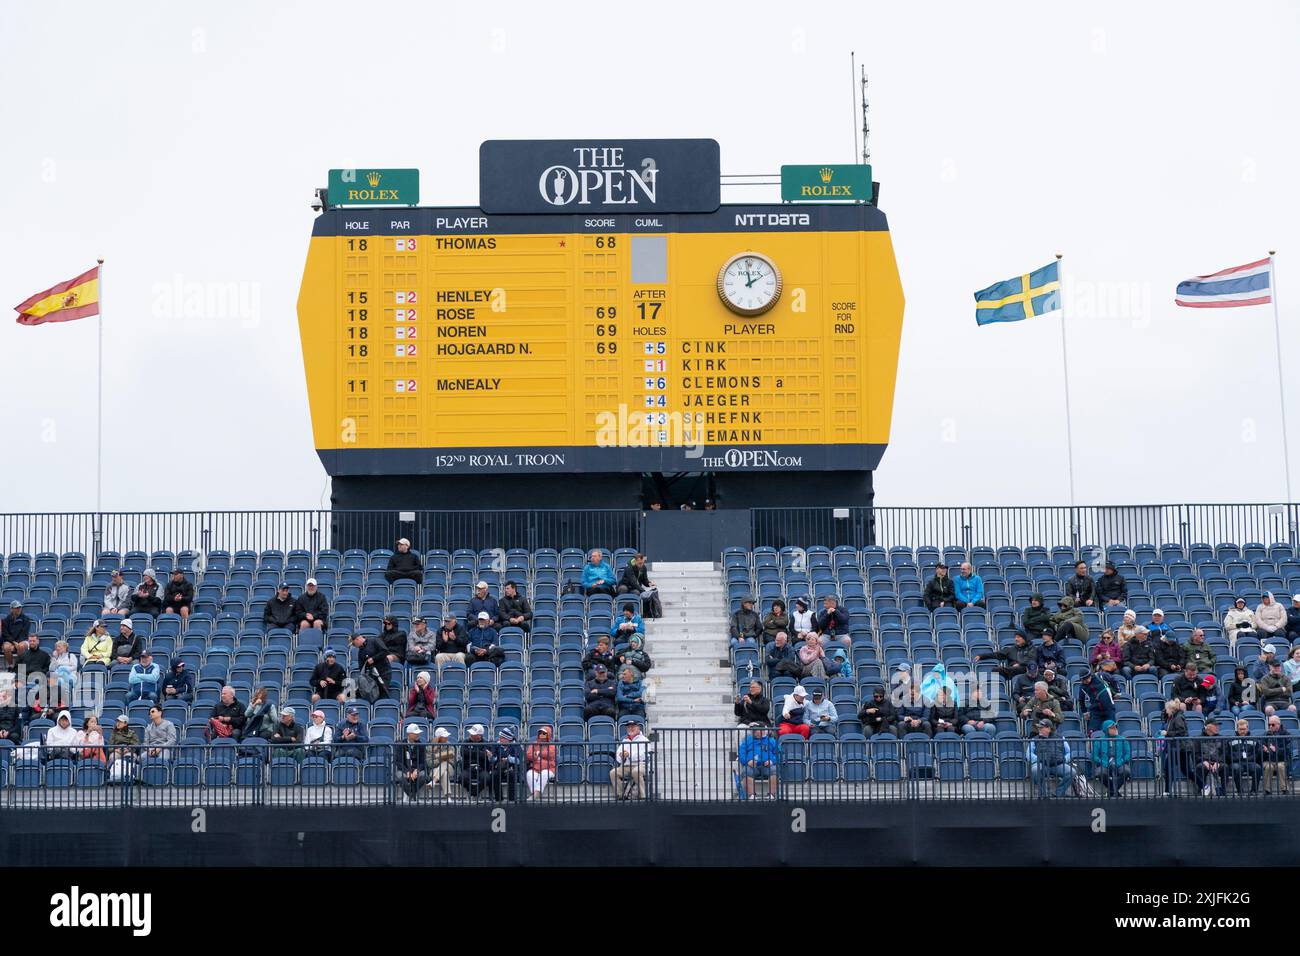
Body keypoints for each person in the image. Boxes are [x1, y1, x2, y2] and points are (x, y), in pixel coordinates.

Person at [1028, 719, 1078, 797]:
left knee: (1072, 772)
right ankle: (1042, 794)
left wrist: (1065, 759)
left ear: (1049, 728)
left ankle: (1057, 793)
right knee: (1035, 770)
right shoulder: (1034, 739)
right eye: (1039, 727)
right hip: (1042, 764)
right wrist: (1037, 759)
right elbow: (1028, 754)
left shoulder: (1061, 738)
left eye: (1042, 727)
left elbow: (1069, 752)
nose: (1039, 729)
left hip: (1058, 765)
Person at [610, 719, 650, 799]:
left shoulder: (644, 740)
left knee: (636, 771)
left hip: (641, 764)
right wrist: (622, 756)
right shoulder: (625, 740)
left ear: (638, 728)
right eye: (629, 727)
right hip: (626, 765)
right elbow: (618, 756)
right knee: (613, 772)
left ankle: (643, 796)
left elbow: (644, 755)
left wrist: (629, 754)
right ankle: (621, 795)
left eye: (633, 726)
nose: (630, 728)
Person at [738, 723, 779, 799]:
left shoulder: (771, 740)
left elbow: (778, 754)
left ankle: (771, 795)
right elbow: (741, 753)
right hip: (752, 766)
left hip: (767, 766)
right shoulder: (748, 740)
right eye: (753, 731)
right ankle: (751, 795)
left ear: (762, 731)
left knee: (774, 770)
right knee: (746, 770)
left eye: (755, 730)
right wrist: (747, 761)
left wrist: (772, 761)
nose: (753, 732)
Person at [1091, 719, 1131, 797]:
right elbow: (1094, 756)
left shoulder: (1123, 740)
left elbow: (1128, 754)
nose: (1115, 729)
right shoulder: (1098, 741)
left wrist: (1120, 762)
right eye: (1112, 728)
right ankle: (1114, 791)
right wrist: (1103, 762)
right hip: (1104, 764)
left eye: (1115, 727)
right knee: (1100, 773)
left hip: (1119, 763)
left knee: (1126, 771)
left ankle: (1111, 791)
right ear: (1106, 729)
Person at [351, 633, 393, 701]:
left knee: (383, 693)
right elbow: (361, 668)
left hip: (384, 672)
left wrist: (374, 659)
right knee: (374, 694)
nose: (354, 646)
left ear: (357, 639)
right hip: (373, 676)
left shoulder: (374, 640)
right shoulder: (360, 652)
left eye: (354, 644)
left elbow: (385, 651)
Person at [1160, 698, 1190, 794]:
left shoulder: (1178, 718)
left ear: (1171, 710)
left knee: (1183, 770)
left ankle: (1203, 785)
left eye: (1167, 709)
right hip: (1175, 748)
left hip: (1180, 748)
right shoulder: (1172, 717)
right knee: (1181, 770)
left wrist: (1167, 733)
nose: (1166, 711)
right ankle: (1167, 790)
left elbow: (1181, 732)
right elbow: (1163, 717)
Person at [488, 726, 525, 801]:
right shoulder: (496, 745)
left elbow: (518, 760)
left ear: (508, 739)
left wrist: (508, 759)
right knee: (494, 775)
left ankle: (511, 799)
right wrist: (491, 757)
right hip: (499, 767)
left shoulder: (517, 746)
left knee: (511, 774)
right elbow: (494, 760)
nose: (500, 739)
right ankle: (499, 799)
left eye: (502, 738)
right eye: (500, 737)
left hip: (512, 768)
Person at [1227, 719, 1264, 795]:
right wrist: (1237, 758)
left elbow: (1256, 753)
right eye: (1240, 729)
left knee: (1257, 768)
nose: (1242, 731)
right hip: (1236, 762)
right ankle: (1240, 791)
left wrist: (1249, 758)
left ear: (1247, 728)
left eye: (1244, 729)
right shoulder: (1230, 740)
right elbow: (1228, 754)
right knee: (1237, 768)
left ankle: (1254, 791)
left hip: (1250, 761)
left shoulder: (1254, 740)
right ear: (1237, 729)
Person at [617, 553, 660, 618]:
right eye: (639, 563)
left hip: (634, 588)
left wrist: (649, 583)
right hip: (625, 584)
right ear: (635, 561)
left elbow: (644, 580)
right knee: (623, 589)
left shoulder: (643, 568)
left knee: (637, 592)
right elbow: (633, 581)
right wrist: (643, 590)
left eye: (642, 563)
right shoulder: (629, 567)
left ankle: (636, 611)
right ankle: (620, 609)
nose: (641, 565)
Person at [395, 723, 430, 800]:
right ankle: (412, 794)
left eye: (418, 733)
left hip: (416, 769)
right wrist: (407, 771)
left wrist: (417, 770)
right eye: (416, 733)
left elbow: (423, 762)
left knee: (423, 775)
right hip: (404, 769)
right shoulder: (401, 745)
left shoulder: (421, 745)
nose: (418, 735)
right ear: (409, 734)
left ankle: (410, 793)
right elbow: (399, 762)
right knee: (400, 777)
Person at [1078, 670, 1118, 734]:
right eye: (1083, 680)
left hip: (1109, 708)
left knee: (1112, 731)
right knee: (1092, 732)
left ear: (1090, 676)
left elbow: (1114, 680)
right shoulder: (1082, 687)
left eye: (1087, 678)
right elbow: (1081, 700)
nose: (1086, 681)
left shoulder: (1100, 676)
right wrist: (1085, 712)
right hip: (1095, 711)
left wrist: (1117, 692)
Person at [1194, 718, 1227, 797]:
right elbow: (1196, 754)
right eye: (1215, 725)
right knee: (1200, 767)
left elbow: (1224, 753)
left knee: (1225, 767)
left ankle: (1223, 791)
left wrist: (1218, 762)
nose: (1217, 727)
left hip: (1217, 762)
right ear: (1207, 727)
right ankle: (1201, 790)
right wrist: (1204, 761)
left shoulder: (1221, 738)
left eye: (1218, 725)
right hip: (1204, 762)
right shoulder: (1198, 739)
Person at [459, 724, 493, 798]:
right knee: (462, 777)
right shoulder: (465, 741)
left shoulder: (486, 743)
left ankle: (473, 792)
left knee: (487, 778)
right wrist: (479, 752)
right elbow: (463, 753)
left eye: (473, 733)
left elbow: (485, 756)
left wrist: (471, 751)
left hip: (482, 768)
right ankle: (473, 792)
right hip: (468, 767)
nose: (470, 734)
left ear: (479, 735)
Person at [1262, 715, 1291, 794]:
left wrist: (1276, 750)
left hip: (1282, 759)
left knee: (1280, 766)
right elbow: (1262, 746)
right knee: (1269, 767)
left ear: (1278, 724)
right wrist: (1265, 750)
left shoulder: (1286, 734)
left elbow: (1288, 749)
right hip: (1269, 760)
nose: (1270, 726)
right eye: (1269, 725)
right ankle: (1267, 790)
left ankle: (1285, 789)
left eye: (1273, 724)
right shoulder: (1266, 734)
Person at [525, 725, 556, 797]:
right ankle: (535, 794)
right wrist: (539, 756)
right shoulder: (534, 744)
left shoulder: (552, 745)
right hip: (535, 768)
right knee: (529, 774)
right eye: (540, 733)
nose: (542, 735)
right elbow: (528, 755)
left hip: (549, 769)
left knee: (544, 774)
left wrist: (538, 753)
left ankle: (536, 795)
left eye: (544, 734)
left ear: (548, 735)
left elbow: (550, 755)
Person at [107, 714, 139, 782]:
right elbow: (110, 746)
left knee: (131, 757)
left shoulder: (132, 733)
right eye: (117, 722)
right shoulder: (114, 733)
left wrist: (128, 749)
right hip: (117, 751)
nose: (117, 723)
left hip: (129, 751)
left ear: (125, 723)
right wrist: (115, 749)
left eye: (120, 722)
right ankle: (112, 776)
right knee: (113, 757)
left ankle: (130, 776)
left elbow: (136, 745)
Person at [1, 600, 33, 668]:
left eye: (19, 607)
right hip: (10, 641)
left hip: (22, 640)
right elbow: (5, 634)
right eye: (16, 608)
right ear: (11, 609)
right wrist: (13, 642)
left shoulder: (26, 619)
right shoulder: (5, 620)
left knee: (21, 646)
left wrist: (16, 643)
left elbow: (24, 634)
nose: (19, 609)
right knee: (6, 647)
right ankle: (11, 666)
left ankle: (21, 668)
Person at [48, 640, 78, 708]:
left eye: (59, 646)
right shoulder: (56, 658)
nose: (57, 648)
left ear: (65, 647)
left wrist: (63, 668)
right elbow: (51, 669)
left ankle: (64, 702)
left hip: (70, 676)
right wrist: (54, 658)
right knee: (54, 678)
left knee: (61, 673)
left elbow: (74, 667)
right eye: (56, 647)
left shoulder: (71, 656)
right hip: (59, 676)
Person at [427, 727, 456, 796]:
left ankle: (433, 781)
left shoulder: (450, 745)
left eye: (447, 736)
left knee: (445, 763)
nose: (447, 738)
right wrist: (440, 759)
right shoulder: (430, 747)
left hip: (449, 769)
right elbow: (429, 763)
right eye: (444, 736)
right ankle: (448, 797)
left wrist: (444, 759)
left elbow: (453, 762)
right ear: (439, 737)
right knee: (444, 773)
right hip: (434, 769)